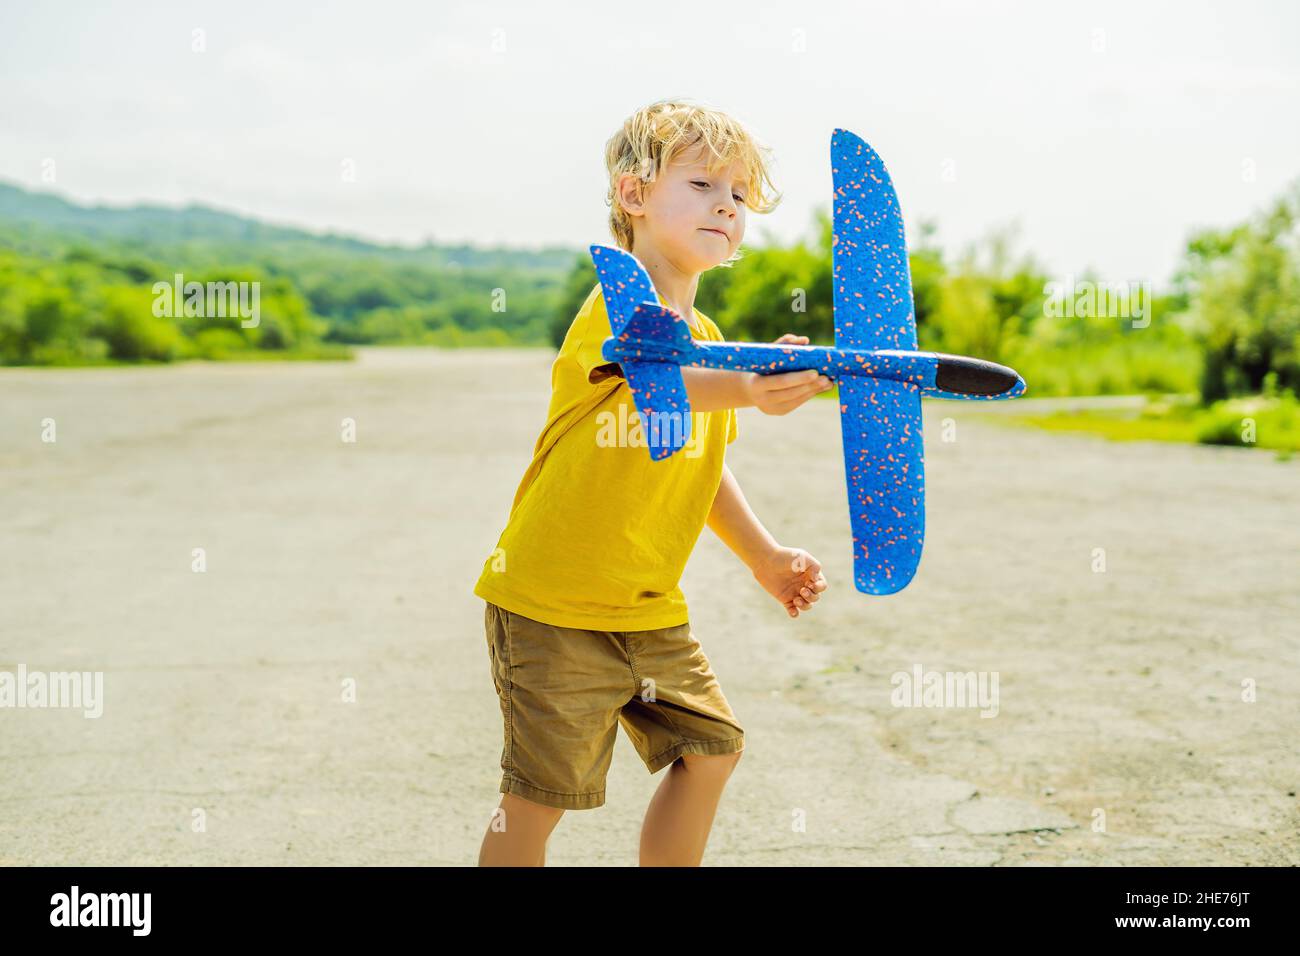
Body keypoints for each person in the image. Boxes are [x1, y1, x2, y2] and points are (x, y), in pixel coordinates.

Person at [473, 98, 831, 866]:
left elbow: (702, 460)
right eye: (703, 184)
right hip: (553, 603)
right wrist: (747, 387)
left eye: (738, 195)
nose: (726, 206)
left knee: (712, 750)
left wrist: (765, 556)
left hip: (647, 610)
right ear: (633, 195)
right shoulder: (616, 302)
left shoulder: (706, 339)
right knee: (539, 797)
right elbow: (650, 387)